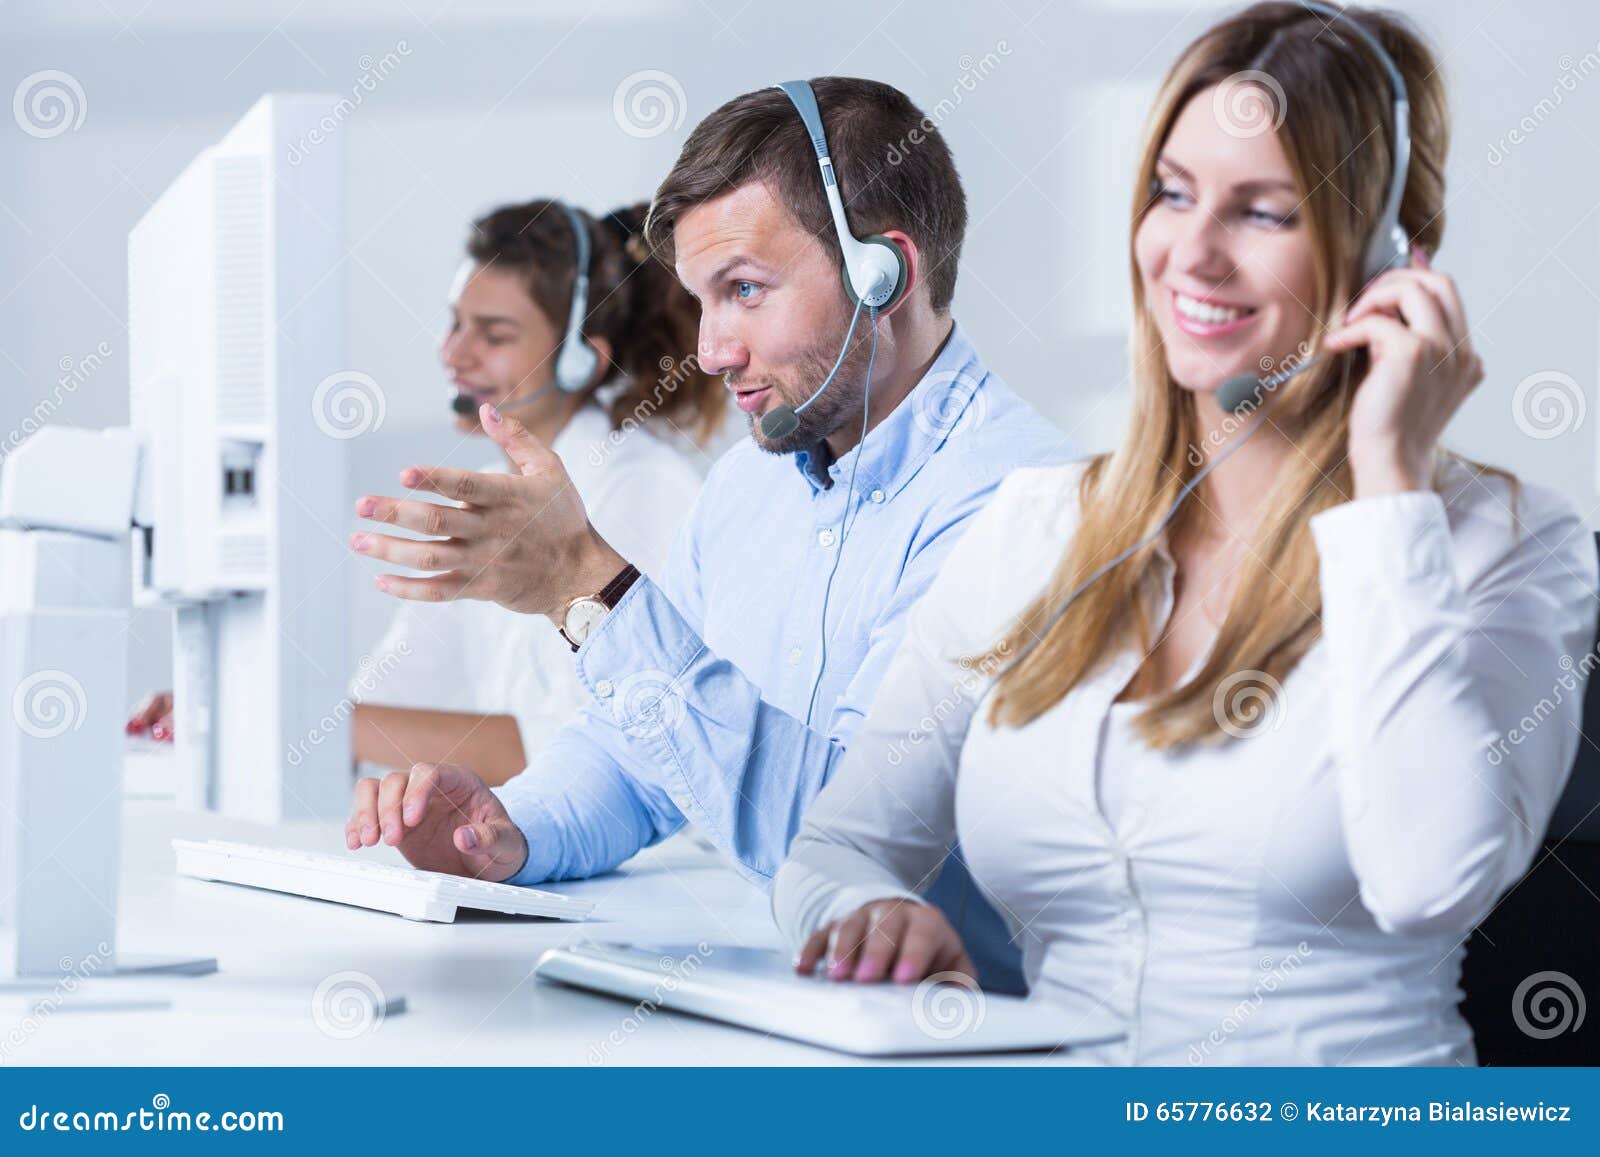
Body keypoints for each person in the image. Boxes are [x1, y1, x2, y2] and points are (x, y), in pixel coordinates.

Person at [772, 3, 1598, 1065]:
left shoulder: (1508, 540)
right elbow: (839, 845)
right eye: (1171, 194)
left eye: (1263, 213)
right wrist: (864, 911)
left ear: (1389, 254)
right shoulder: (1037, 526)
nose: (1191, 254)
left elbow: (1428, 876)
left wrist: (1389, 485)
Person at [342, 78, 1079, 992]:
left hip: (970, 1054)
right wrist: (502, 831)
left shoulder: (1022, 503)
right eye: (701, 299)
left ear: (884, 273)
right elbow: (638, 753)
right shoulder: (749, 486)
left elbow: (849, 845)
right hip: (799, 1013)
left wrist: (590, 584)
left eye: (744, 290)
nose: (712, 347)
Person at [129, 199, 718, 786]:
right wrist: (236, 718)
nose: (452, 353)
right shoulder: (487, 498)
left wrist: (287, 725)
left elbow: (604, 750)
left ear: (579, 361)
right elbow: (389, 697)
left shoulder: (640, 487)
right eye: (455, 322)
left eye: (493, 334)